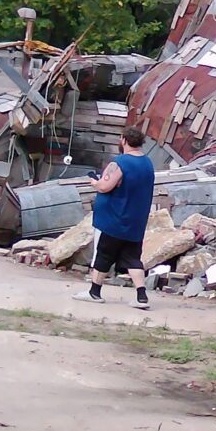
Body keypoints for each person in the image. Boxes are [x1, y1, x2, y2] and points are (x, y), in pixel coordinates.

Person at [73, 126, 155, 309]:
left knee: (104, 254)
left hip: (114, 219)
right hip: (135, 221)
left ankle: (94, 292)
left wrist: (95, 182)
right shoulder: (148, 163)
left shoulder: (120, 162)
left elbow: (105, 186)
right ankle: (141, 296)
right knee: (133, 258)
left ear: (124, 140)